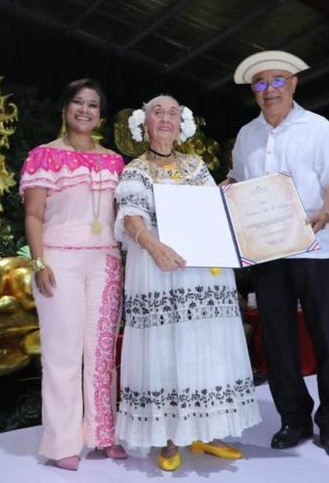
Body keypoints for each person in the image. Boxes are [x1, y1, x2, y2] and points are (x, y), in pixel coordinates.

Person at [115, 95, 260, 472]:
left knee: (204, 346)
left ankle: (205, 431)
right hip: (158, 268)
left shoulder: (196, 166)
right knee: (165, 347)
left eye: (173, 113)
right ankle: (168, 436)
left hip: (200, 269)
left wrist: (233, 193)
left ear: (182, 124)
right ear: (144, 123)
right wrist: (155, 247)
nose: (166, 118)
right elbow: (131, 218)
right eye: (158, 112)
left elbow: (211, 209)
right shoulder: (135, 170)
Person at [225, 50, 329, 460]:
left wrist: (326, 212)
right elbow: (237, 180)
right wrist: (213, 195)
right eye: (261, 83)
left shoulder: (317, 127)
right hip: (267, 251)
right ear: (254, 92)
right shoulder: (247, 134)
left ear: (293, 84)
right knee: (277, 338)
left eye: (278, 80)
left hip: (318, 247)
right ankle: (293, 418)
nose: (270, 90)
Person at [20, 78, 127, 471]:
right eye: (78, 103)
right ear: (65, 108)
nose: (85, 110)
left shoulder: (115, 161)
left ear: (101, 115)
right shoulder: (44, 156)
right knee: (62, 354)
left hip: (106, 263)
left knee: (101, 353)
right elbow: (33, 215)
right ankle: (62, 442)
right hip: (59, 261)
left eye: (93, 104)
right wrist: (38, 262)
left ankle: (103, 434)